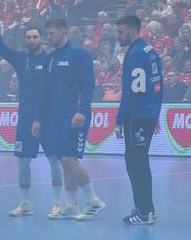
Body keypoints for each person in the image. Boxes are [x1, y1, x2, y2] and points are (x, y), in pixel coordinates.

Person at [32, 17, 103, 220]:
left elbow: (88, 85)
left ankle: (93, 200)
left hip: (75, 116)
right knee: (64, 161)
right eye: (47, 34)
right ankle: (71, 205)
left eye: (52, 33)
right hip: (56, 118)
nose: (48, 38)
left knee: (69, 159)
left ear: (64, 30)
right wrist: (37, 118)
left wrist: (82, 110)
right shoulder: (50, 59)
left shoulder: (79, 55)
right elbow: (44, 91)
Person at [0, 18, 62, 217]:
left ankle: (57, 203)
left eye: (35, 37)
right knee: (22, 163)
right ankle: (25, 203)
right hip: (25, 120)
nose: (32, 40)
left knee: (54, 161)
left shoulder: (51, 59)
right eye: (29, 37)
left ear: (42, 39)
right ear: (25, 41)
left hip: (48, 120)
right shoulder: (20, 58)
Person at [115, 14, 164, 225]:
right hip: (148, 113)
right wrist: (155, 114)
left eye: (120, 32)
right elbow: (158, 86)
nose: (118, 37)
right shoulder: (151, 51)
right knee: (138, 160)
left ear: (132, 30)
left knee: (136, 162)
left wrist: (119, 119)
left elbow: (130, 92)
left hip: (136, 116)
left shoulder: (134, 55)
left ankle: (144, 212)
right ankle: (147, 208)